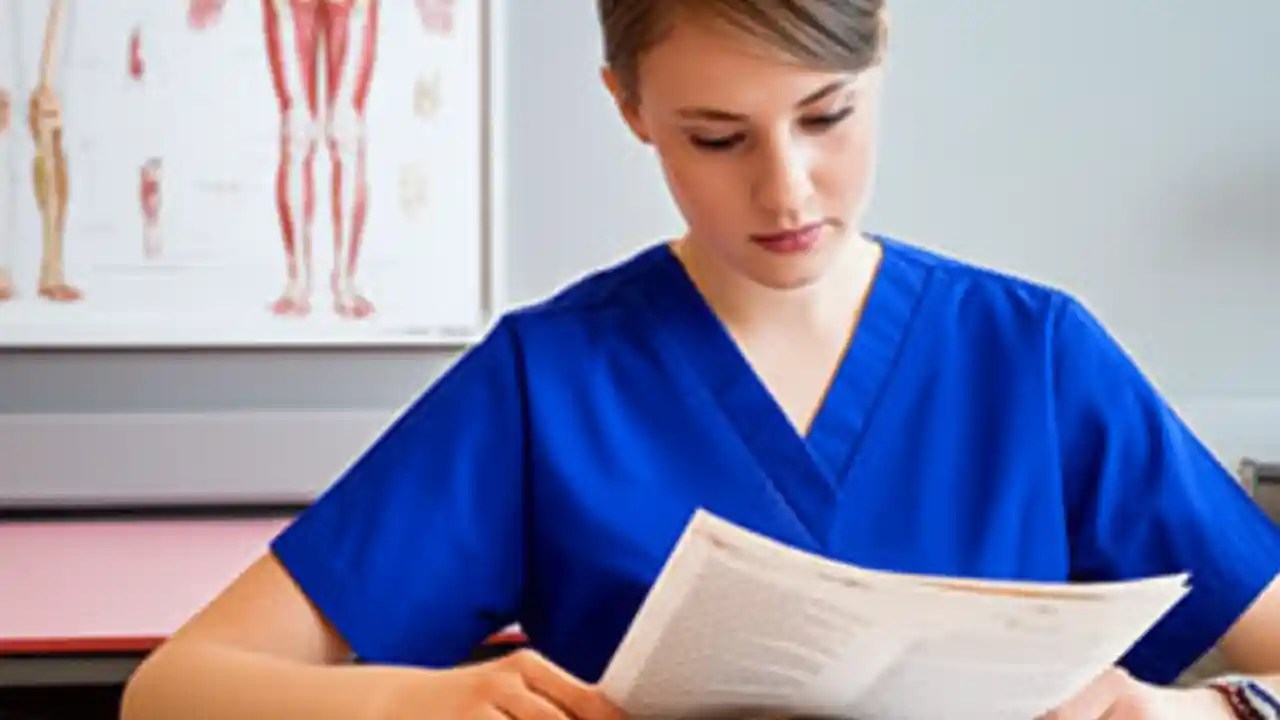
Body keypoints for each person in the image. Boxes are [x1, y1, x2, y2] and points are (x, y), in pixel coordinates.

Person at [120, 1, 1280, 718]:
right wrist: (413, 703)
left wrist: (1187, 715)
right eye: (714, 138)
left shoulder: (1031, 358)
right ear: (627, 105)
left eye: (824, 118)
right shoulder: (550, 383)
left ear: (878, 48)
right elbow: (174, 692)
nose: (784, 191)